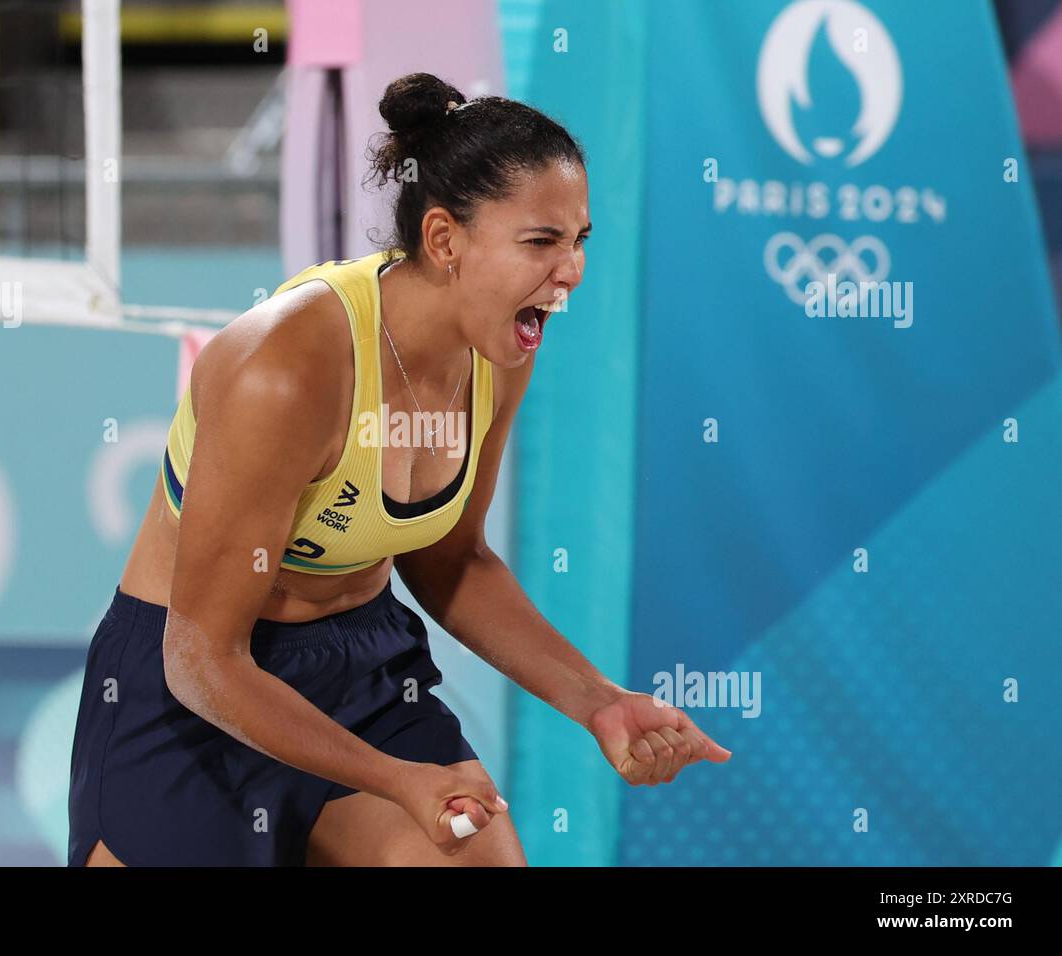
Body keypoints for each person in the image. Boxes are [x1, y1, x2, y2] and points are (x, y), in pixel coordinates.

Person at [67, 71, 731, 867]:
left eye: (579, 240)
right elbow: (202, 657)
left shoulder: (502, 348)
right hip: (199, 690)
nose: (572, 270)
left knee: (476, 859)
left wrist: (600, 703)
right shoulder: (285, 368)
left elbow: (453, 561)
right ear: (445, 240)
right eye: (541, 242)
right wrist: (395, 779)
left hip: (363, 672)